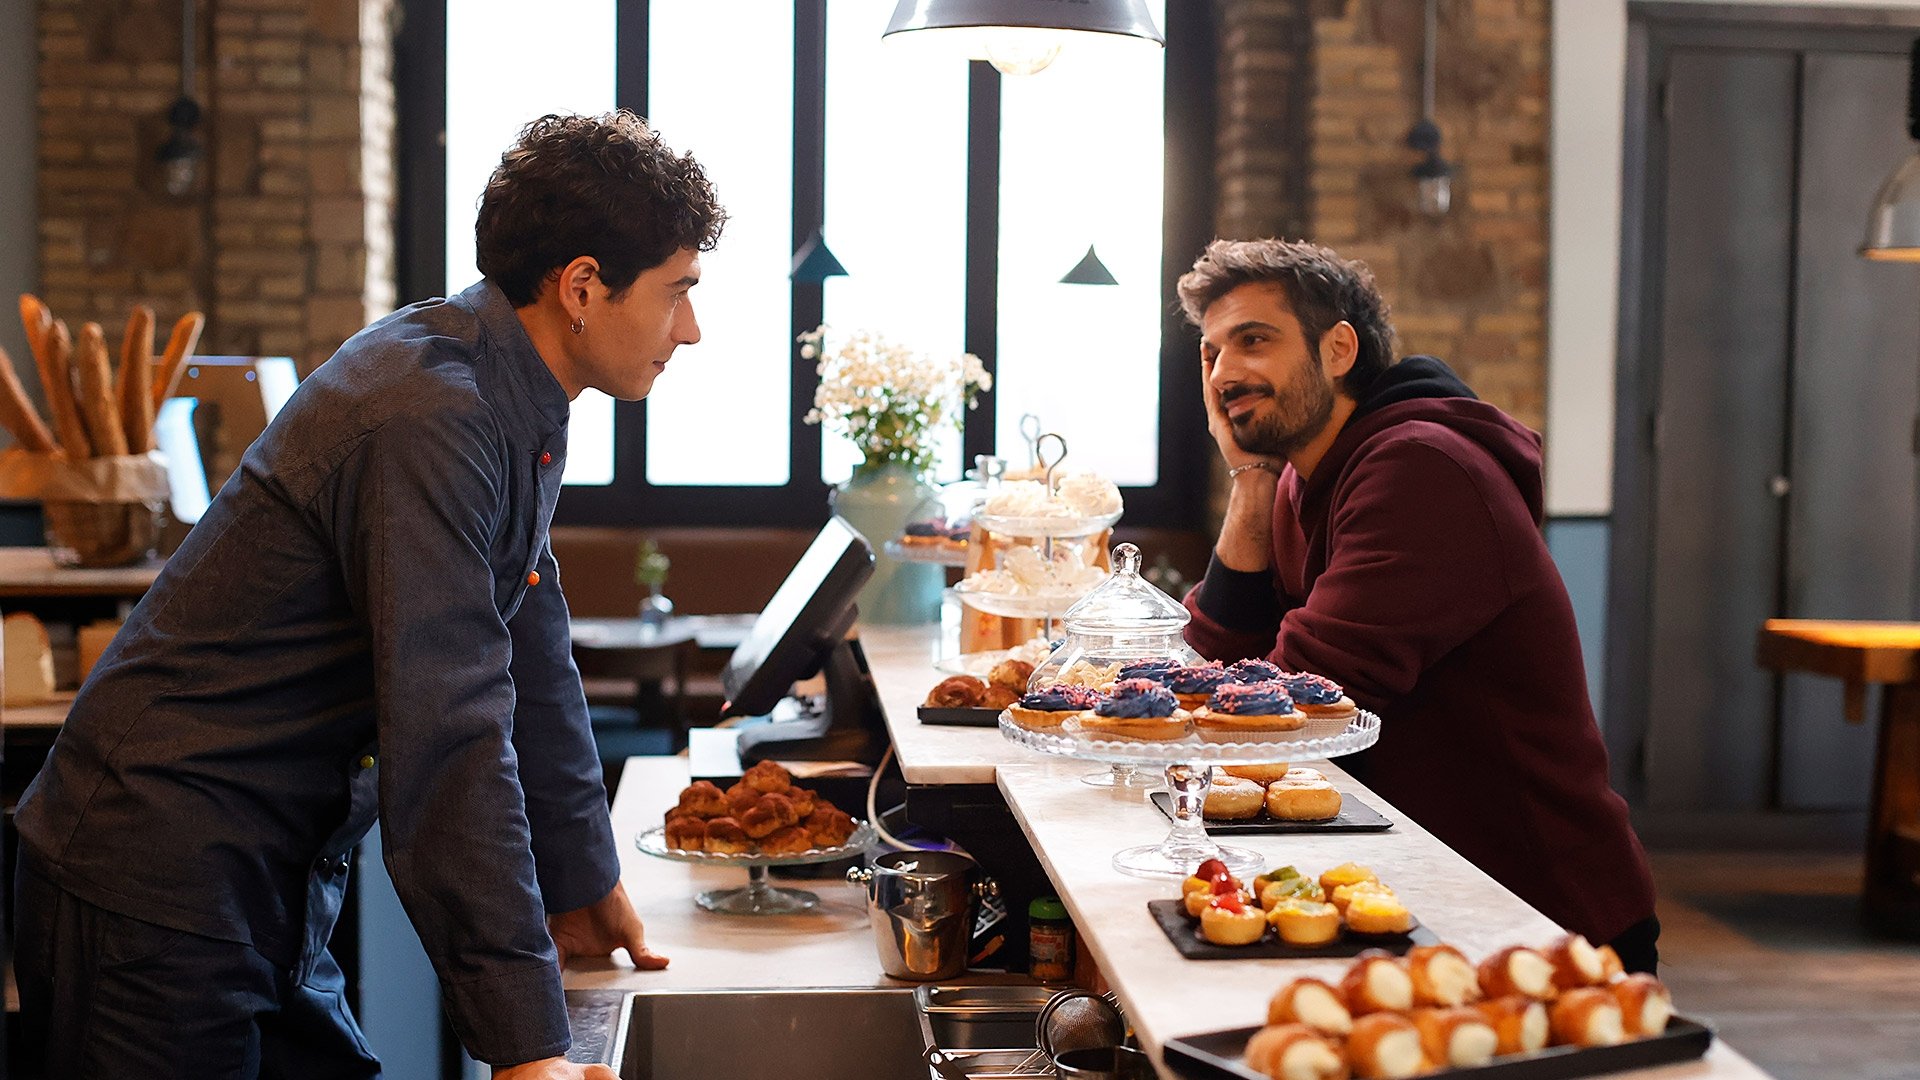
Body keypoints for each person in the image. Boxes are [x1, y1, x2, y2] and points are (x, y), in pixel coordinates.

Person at [12, 110, 723, 1079]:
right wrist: (525, 1048)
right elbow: (450, 735)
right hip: (154, 879)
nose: (691, 328)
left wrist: (584, 879)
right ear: (584, 288)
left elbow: (530, 647)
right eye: (678, 291)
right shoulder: (431, 415)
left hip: (262, 874)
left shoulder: (502, 392)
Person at [1177, 238, 1660, 970]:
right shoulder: (1296, 483)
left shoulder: (1421, 469)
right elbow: (1216, 661)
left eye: (1254, 340)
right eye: (1212, 352)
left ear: (1338, 349)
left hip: (1537, 911)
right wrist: (1248, 478)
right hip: (1419, 889)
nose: (1225, 374)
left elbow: (1299, 703)